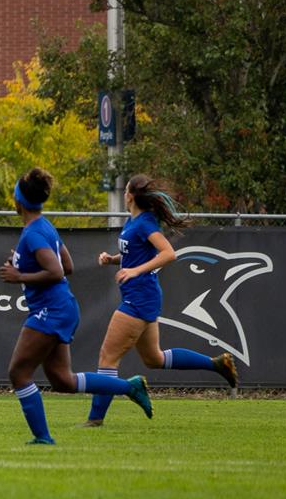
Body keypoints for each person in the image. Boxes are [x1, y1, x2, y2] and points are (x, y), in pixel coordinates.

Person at [0, 167, 150, 444]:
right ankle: (129, 387)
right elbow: (67, 265)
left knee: (18, 373)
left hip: (51, 310)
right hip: (61, 307)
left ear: (18, 200)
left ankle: (43, 438)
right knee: (62, 381)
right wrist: (25, 264)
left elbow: (56, 271)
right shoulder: (44, 227)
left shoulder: (33, 233)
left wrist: (19, 275)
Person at [81, 174, 239, 426]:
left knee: (107, 358)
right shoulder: (134, 222)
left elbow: (168, 253)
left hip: (139, 298)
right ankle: (216, 364)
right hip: (144, 296)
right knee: (154, 358)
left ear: (130, 195)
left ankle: (94, 420)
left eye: (125, 192)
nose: (123, 195)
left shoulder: (145, 223)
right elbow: (135, 254)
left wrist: (135, 271)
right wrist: (113, 260)